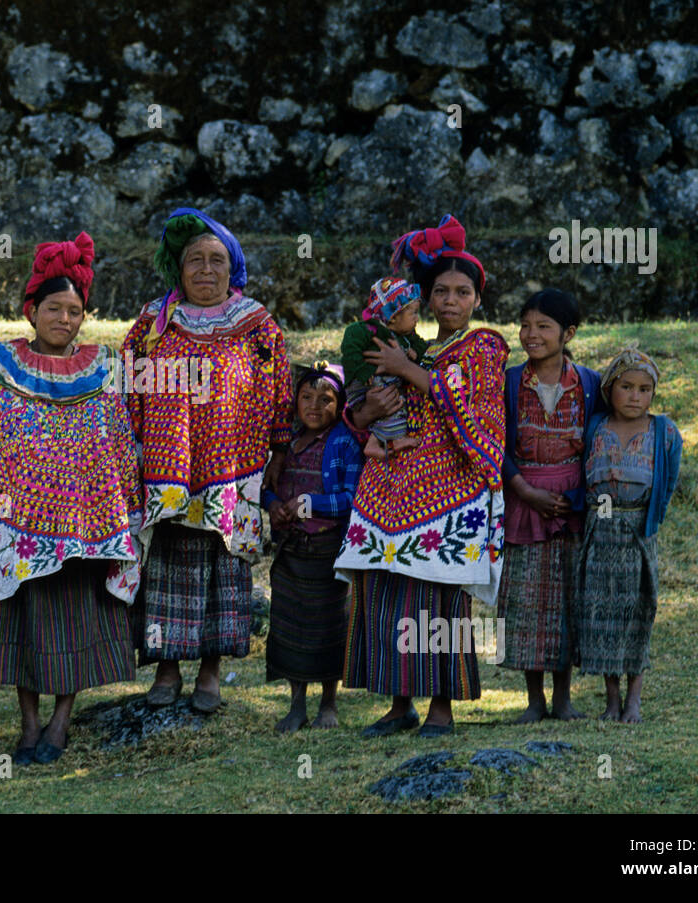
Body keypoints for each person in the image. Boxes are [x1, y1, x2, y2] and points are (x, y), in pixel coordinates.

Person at [0, 232, 143, 764]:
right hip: (16, 525)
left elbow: (121, 438)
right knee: (22, 624)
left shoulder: (106, 368)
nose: (64, 319)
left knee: (79, 622)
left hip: (86, 524)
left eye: (74, 311)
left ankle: (61, 722)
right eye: (53, 308)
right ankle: (27, 725)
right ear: (32, 311)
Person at [333, 214, 509, 737]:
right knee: (387, 592)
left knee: (439, 601)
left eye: (462, 292)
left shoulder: (484, 348)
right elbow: (359, 409)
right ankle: (398, 703)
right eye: (440, 291)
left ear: (477, 299)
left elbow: (477, 417)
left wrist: (409, 372)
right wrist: (367, 409)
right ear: (426, 299)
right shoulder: (411, 345)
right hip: (388, 490)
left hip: (448, 493)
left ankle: (441, 709)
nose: (450, 301)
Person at [123, 207, 292, 713]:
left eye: (216, 259)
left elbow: (280, 391)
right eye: (194, 260)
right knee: (169, 566)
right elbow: (129, 388)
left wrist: (278, 452)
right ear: (178, 268)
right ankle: (169, 670)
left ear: (231, 267)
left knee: (226, 567)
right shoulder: (152, 323)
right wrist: (131, 452)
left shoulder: (256, 323)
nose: (204, 269)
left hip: (234, 471)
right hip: (168, 467)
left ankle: (212, 673)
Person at [498, 289, 600, 722]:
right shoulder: (508, 382)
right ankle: (534, 699)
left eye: (543, 326)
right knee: (526, 600)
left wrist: (577, 498)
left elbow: (599, 442)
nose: (531, 334)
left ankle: (563, 698)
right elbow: (492, 443)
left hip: (572, 503)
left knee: (568, 598)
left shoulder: (591, 384)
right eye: (525, 325)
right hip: (524, 499)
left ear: (568, 333)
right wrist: (523, 490)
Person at [574, 348, 682, 723]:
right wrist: (602, 518)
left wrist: (647, 521)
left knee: (638, 612)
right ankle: (611, 698)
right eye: (626, 386)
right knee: (602, 614)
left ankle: (634, 699)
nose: (635, 396)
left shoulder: (663, 432)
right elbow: (584, 478)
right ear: (609, 388)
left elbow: (666, 487)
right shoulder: (596, 428)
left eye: (644, 388)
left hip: (639, 533)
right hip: (601, 533)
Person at [262, 362, 362, 732]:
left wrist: (308, 504)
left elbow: (352, 498)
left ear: (341, 405)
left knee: (328, 629)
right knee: (290, 628)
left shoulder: (344, 443)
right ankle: (296, 705)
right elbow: (266, 484)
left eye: (326, 399)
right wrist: (272, 503)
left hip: (327, 550)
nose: (315, 406)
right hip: (291, 551)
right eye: (306, 397)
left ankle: (329, 705)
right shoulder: (285, 444)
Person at [341, 276, 430, 459]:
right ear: (393, 317)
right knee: (393, 400)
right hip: (362, 384)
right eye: (413, 313)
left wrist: (416, 353)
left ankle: (375, 442)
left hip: (379, 385)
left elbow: (422, 348)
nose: (417, 318)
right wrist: (364, 371)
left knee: (395, 400)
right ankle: (394, 440)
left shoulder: (406, 336)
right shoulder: (364, 330)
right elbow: (350, 350)